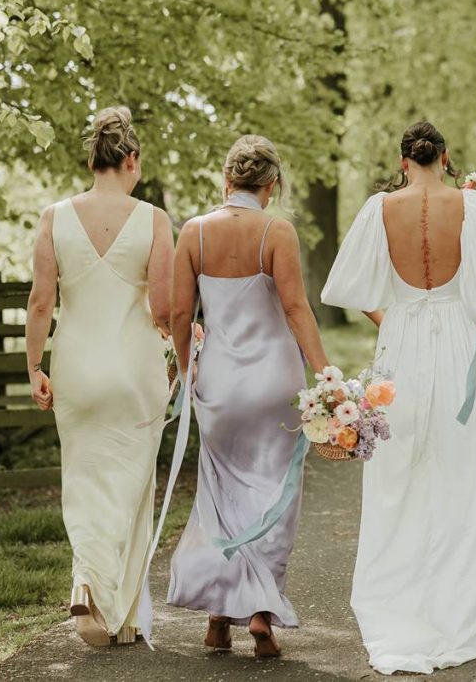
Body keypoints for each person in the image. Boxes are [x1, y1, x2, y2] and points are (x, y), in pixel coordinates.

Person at [322, 121, 476, 675]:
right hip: (459, 339)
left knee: (399, 471)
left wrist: (395, 317)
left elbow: (347, 287)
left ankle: (400, 598)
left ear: (403, 159)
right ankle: (458, 602)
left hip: (402, 340)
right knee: (464, 467)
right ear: (446, 156)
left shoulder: (378, 208)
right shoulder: (471, 207)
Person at [167, 134, 329, 658]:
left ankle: (218, 620)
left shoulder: (193, 232)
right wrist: (325, 373)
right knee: (274, 495)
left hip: (219, 385)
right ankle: (260, 613)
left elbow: (178, 315)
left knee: (221, 497)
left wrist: (186, 364)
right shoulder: (276, 231)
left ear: (226, 180)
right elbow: (297, 309)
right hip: (274, 385)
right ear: (272, 185)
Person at [25, 106, 173, 646]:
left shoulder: (54, 217)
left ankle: (101, 595)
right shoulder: (154, 219)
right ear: (131, 159)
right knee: (132, 487)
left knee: (86, 481)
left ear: (92, 160)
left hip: (77, 369)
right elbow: (163, 307)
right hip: (135, 371)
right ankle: (102, 596)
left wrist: (35, 367)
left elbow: (42, 301)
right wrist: (185, 342)